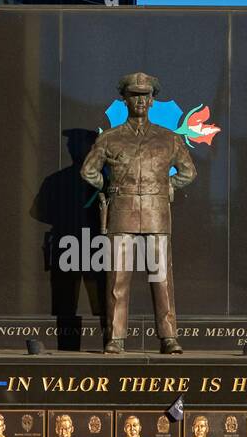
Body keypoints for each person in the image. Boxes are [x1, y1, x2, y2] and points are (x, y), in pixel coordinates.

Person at [81, 72, 197, 355]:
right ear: (125, 100)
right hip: (122, 211)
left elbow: (189, 171)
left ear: (153, 100)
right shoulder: (110, 139)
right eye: (134, 95)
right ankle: (116, 338)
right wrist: (108, 187)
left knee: (162, 278)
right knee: (117, 279)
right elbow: (88, 171)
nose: (141, 100)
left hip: (156, 213)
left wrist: (167, 185)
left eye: (145, 95)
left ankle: (169, 338)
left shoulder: (168, 138)